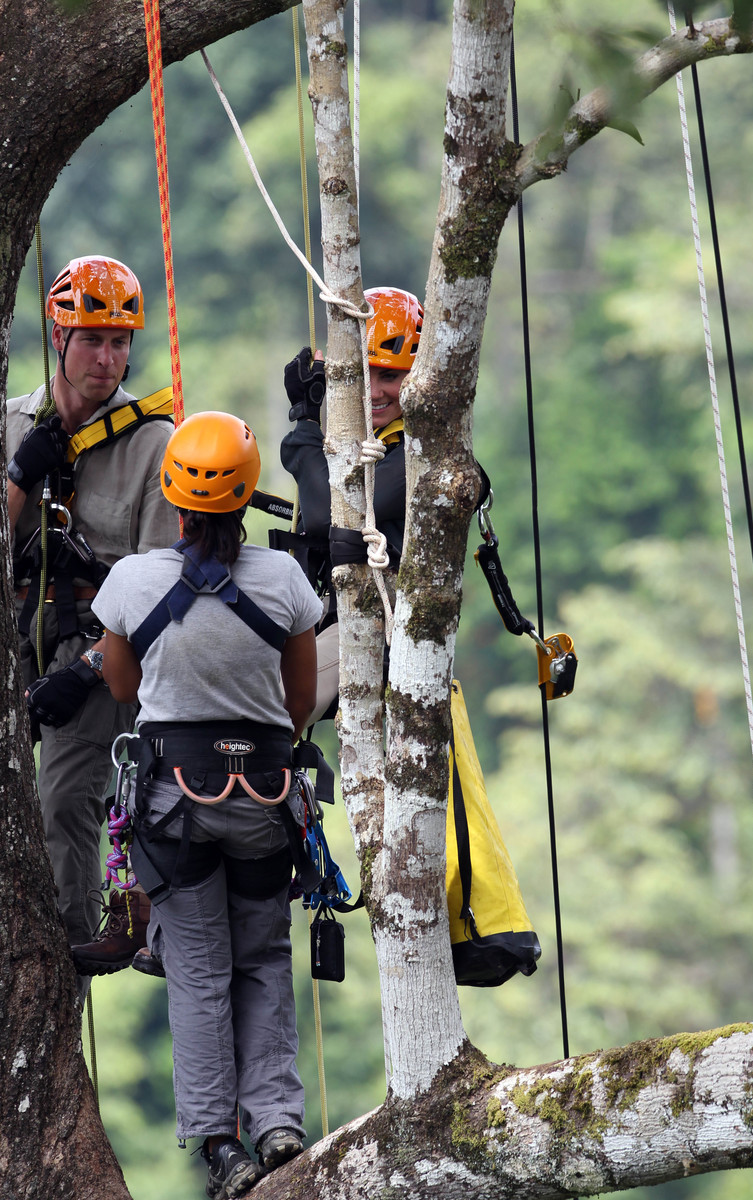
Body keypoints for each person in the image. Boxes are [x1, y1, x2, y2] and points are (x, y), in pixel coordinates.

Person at [92, 411, 321, 1197]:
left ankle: (223, 1147)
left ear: (174, 496)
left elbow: (122, 687)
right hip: (263, 797)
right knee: (262, 959)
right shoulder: (285, 583)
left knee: (197, 972)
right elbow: (299, 701)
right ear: (249, 495)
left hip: (172, 803)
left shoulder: (133, 582)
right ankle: (280, 1121)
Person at [6, 255, 179, 985]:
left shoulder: (152, 443)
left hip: (101, 655)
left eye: (119, 342)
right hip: (19, 642)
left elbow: (162, 592)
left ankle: (65, 955)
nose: (107, 358)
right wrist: (19, 476)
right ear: (58, 336)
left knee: (62, 801)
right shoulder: (15, 424)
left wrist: (84, 673)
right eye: (91, 340)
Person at [278, 285, 423, 720]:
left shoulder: (420, 453)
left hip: (375, 632)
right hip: (332, 617)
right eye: (363, 374)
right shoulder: (362, 442)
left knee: (269, 706)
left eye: (389, 376)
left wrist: (305, 423)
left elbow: (328, 517)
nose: (374, 391)